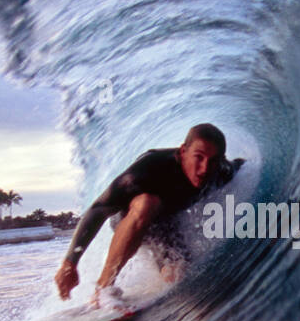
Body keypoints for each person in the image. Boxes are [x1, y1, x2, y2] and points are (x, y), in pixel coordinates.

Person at [54, 123, 242, 303]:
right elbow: (98, 210)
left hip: (164, 226)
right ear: (183, 152)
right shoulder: (147, 170)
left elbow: (240, 165)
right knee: (147, 203)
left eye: (213, 161)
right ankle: (103, 289)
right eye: (198, 157)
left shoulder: (220, 171)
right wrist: (70, 263)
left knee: (179, 277)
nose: (204, 168)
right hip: (131, 218)